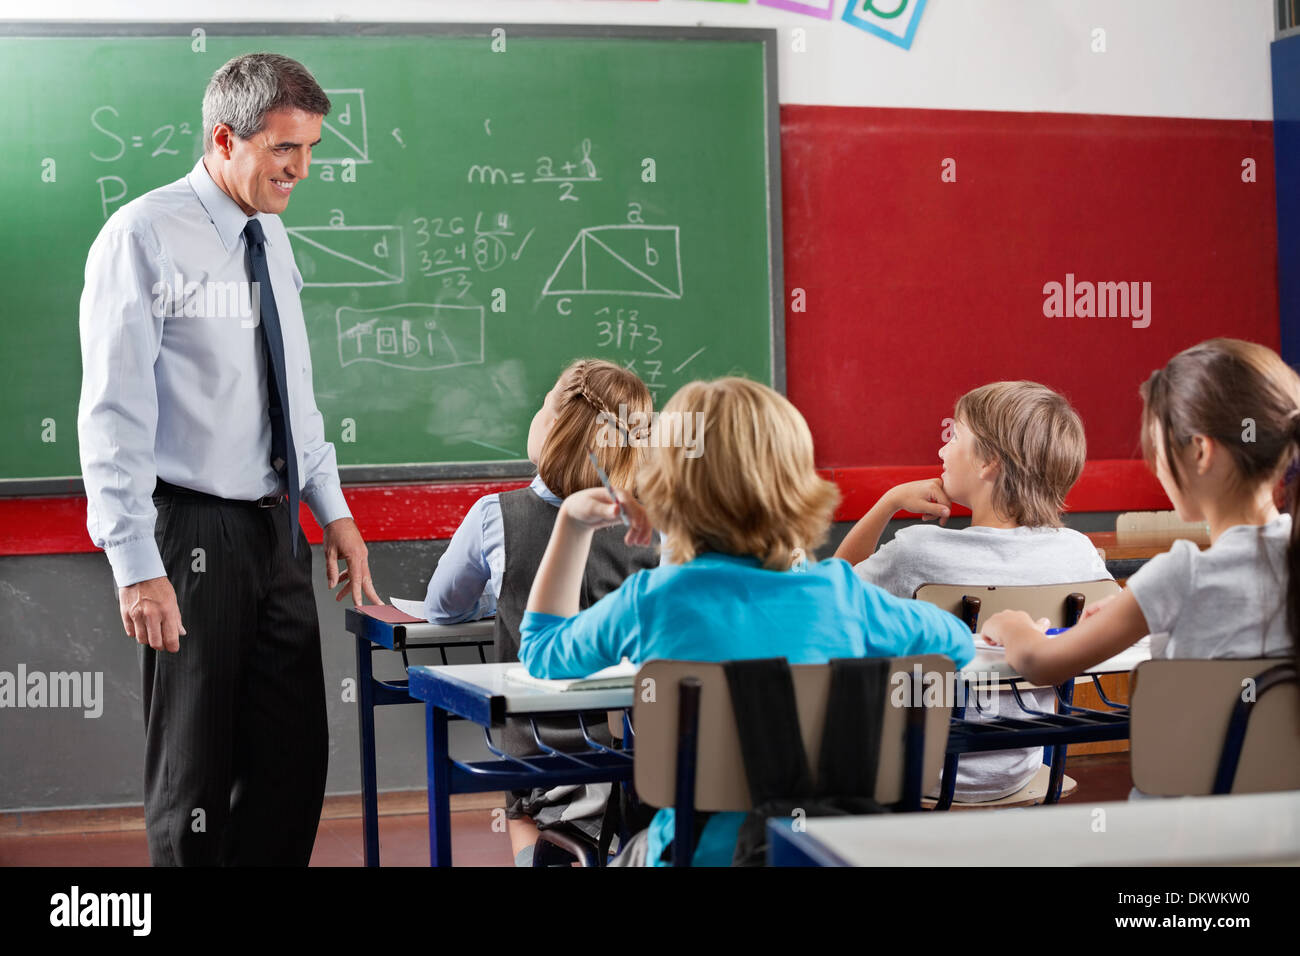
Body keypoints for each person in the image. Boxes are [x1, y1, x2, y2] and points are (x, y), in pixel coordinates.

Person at [77, 53, 381, 866]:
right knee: (195, 770)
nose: (302, 169)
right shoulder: (142, 235)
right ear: (224, 138)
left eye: (311, 148)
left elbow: (296, 394)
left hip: (276, 530)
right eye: (286, 149)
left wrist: (336, 514)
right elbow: (111, 414)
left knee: (292, 764)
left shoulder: (270, 238)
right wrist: (136, 566)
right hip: (187, 531)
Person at [518, 377, 975, 866]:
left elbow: (543, 652)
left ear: (665, 485)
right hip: (827, 852)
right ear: (795, 486)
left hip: (696, 853)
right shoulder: (843, 595)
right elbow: (956, 644)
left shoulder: (656, 600)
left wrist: (571, 524)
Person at [423, 358, 658, 864]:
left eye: (544, 403)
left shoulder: (496, 516)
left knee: (519, 804)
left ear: (555, 425)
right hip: (645, 762)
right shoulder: (656, 527)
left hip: (540, 755)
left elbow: (443, 607)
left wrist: (500, 593)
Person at [835, 381, 1110, 801]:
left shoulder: (918, 550)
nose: (943, 450)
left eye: (954, 436)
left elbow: (837, 590)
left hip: (917, 774)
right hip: (1022, 770)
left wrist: (888, 502)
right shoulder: (1078, 552)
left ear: (988, 462)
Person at [985, 339, 1299, 701]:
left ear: (1200, 451)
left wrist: (1013, 626)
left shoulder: (1183, 575)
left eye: (1157, 449)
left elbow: (1040, 663)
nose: (1156, 468)